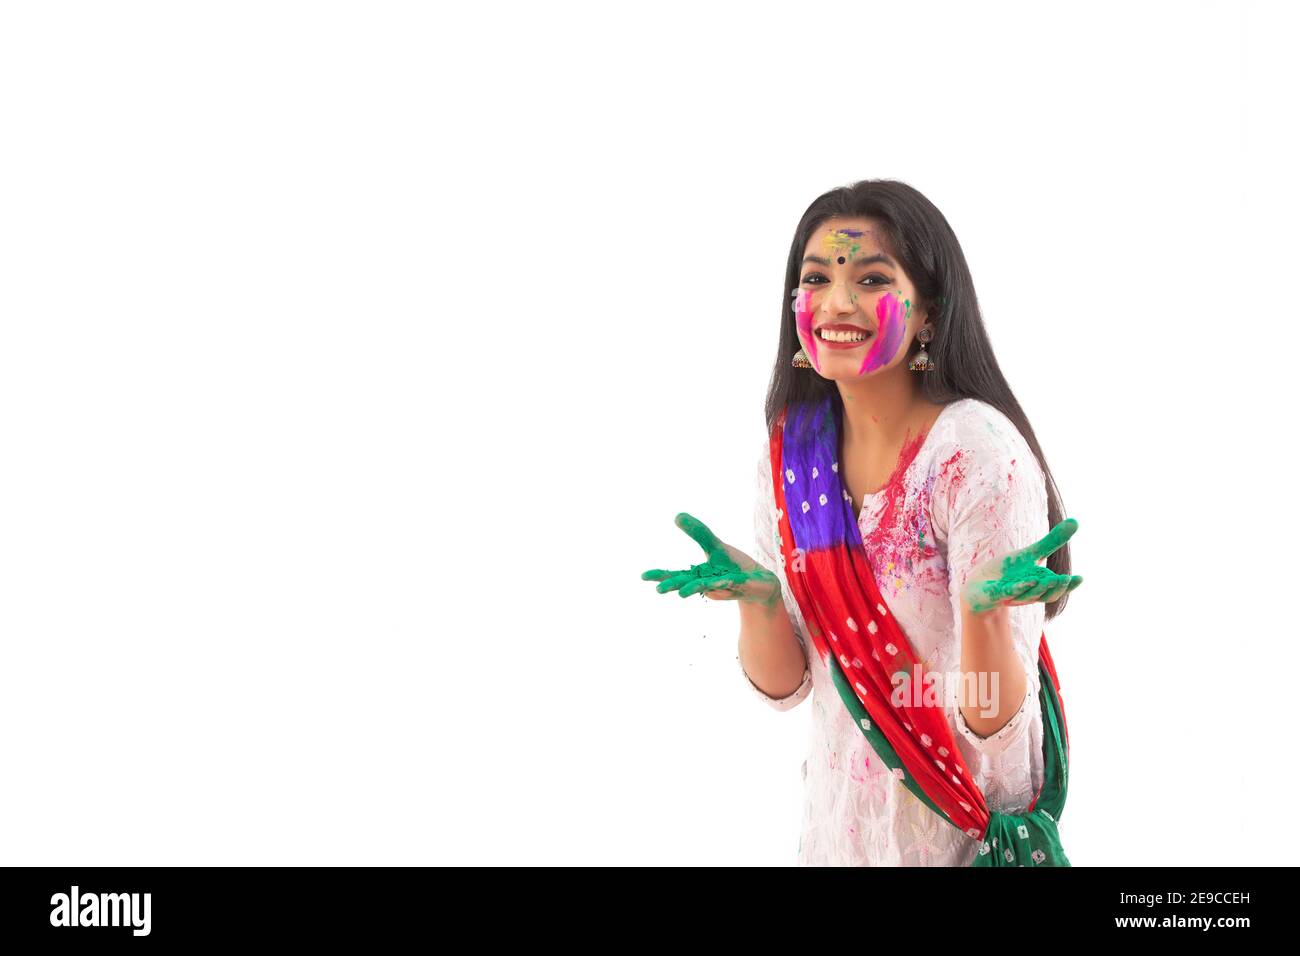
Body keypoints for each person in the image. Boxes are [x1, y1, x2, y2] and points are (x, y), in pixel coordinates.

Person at [641, 179, 1082, 866]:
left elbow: (995, 723)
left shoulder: (973, 455)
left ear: (930, 312)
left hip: (961, 839)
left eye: (871, 278)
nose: (836, 302)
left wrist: (984, 615)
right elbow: (790, 688)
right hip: (842, 837)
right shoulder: (795, 457)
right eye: (815, 278)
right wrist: (760, 603)